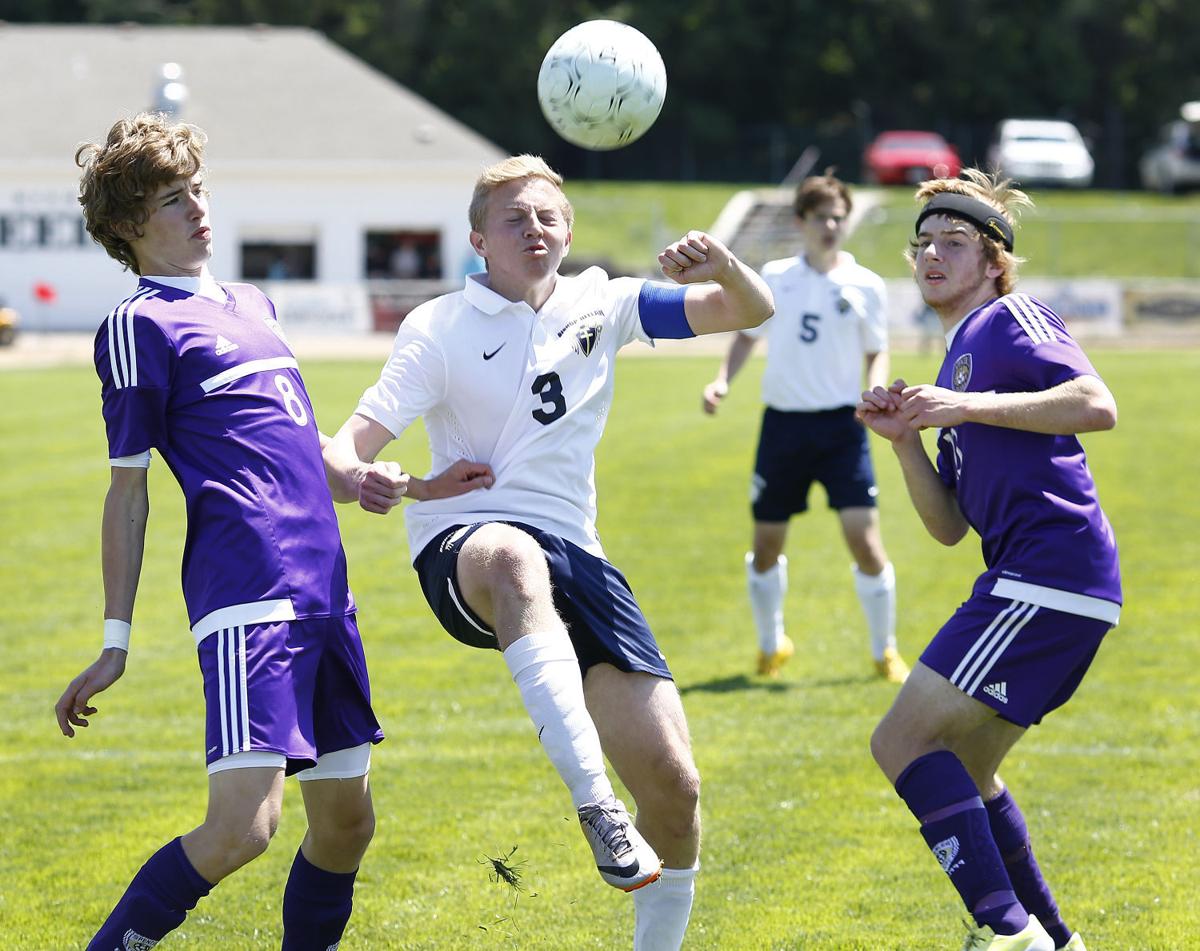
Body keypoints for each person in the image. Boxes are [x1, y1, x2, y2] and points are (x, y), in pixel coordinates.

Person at [323, 154, 773, 950]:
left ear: (568, 229)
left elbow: (748, 309)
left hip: (579, 551)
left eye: (547, 215)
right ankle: (596, 803)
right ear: (478, 240)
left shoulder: (606, 301)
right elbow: (340, 454)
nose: (534, 227)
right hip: (466, 541)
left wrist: (724, 263)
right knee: (513, 559)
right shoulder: (438, 327)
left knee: (675, 787)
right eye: (513, 218)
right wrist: (383, 481)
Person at [54, 113, 481, 949]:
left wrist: (366, 477)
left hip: (327, 588)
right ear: (130, 226)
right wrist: (115, 640)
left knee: (347, 825)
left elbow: (297, 438)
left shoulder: (254, 302)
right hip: (250, 589)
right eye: (175, 200)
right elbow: (128, 490)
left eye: (199, 190)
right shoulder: (139, 327)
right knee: (242, 829)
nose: (200, 208)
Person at [857, 168, 1120, 951]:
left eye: (955, 242)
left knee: (900, 742)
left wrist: (965, 406)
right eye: (924, 243)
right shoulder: (959, 354)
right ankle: (1056, 940)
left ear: (994, 259)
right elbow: (947, 526)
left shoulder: (1012, 317)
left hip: (1050, 574)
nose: (933, 254)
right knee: (967, 771)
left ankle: (1008, 932)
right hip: (1045, 581)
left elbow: (1096, 403)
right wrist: (907, 440)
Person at [701, 173, 909, 682]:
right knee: (768, 543)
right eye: (822, 218)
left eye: (839, 217)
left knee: (864, 540)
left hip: (842, 428)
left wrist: (875, 389)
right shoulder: (775, 276)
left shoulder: (866, 285)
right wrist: (723, 380)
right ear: (801, 222)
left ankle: (886, 651)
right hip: (784, 429)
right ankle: (772, 646)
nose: (832, 226)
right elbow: (749, 336)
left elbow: (875, 348)